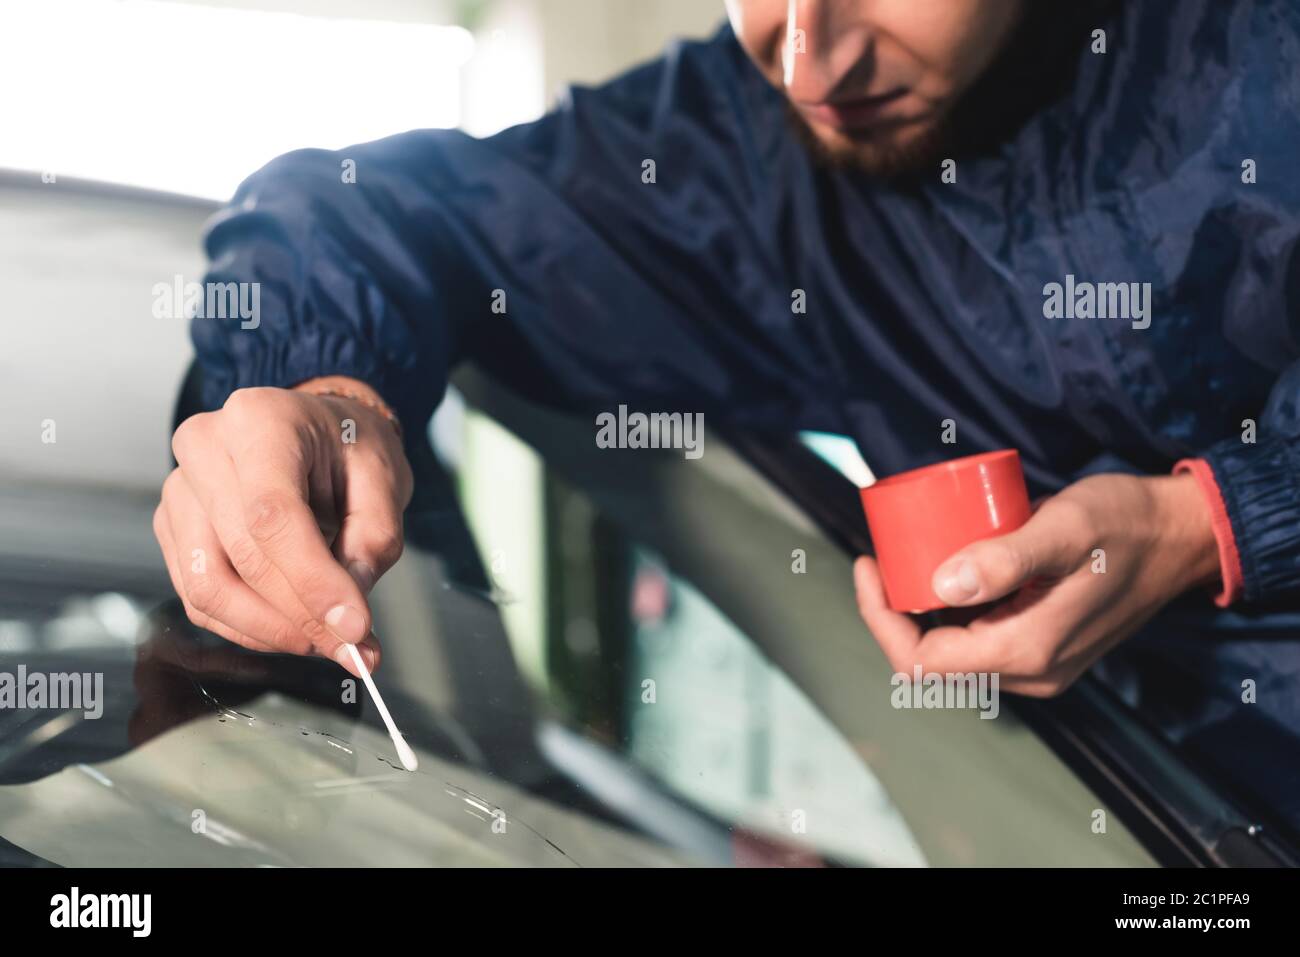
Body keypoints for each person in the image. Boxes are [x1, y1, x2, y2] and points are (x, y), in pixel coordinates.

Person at [154, 0, 1300, 740]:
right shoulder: (740, 160)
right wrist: (325, 390)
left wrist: (1209, 524)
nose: (810, 59)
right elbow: (369, 217)